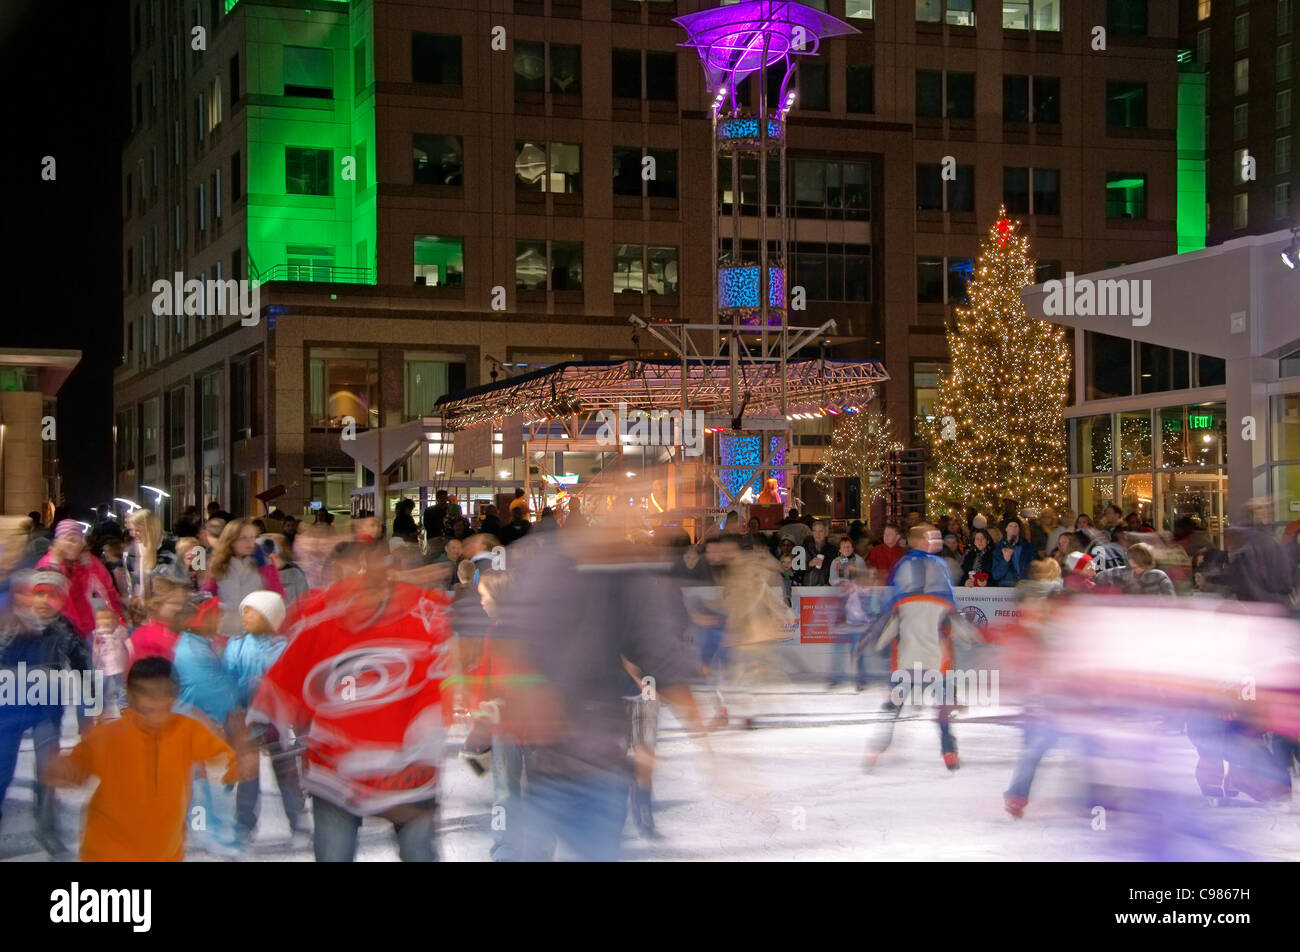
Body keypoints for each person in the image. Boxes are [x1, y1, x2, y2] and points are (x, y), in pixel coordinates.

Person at [249, 544, 454, 862]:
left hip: (408, 776)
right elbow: (284, 679)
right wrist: (257, 725)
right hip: (335, 773)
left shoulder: (425, 616)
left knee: (418, 852)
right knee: (334, 854)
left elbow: (436, 693)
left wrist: (418, 753)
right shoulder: (319, 615)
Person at [44, 657, 248, 861]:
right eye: (148, 696)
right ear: (131, 698)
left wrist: (241, 763)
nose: (157, 703)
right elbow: (78, 768)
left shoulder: (188, 730)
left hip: (166, 853)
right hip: (108, 853)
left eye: (164, 694)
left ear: (174, 696)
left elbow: (224, 759)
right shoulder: (110, 736)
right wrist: (64, 770)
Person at [866, 524, 976, 771]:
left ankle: (876, 748)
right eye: (932, 537)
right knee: (943, 707)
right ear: (920, 541)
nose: (936, 540)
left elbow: (891, 617)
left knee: (894, 705)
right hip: (935, 660)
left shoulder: (903, 574)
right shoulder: (939, 568)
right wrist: (969, 636)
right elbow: (953, 614)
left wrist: (877, 641)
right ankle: (949, 752)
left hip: (906, 661)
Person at [0, 570, 89, 856]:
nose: (45, 601)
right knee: (2, 769)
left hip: (46, 711)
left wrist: (89, 715)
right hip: (8, 710)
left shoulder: (65, 629)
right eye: (40, 593)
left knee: (47, 770)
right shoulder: (10, 625)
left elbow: (85, 670)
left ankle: (47, 824)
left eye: (53, 596)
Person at [224, 591, 307, 844]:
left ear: (270, 618)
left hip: (276, 720)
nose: (245, 615)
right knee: (248, 772)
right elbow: (228, 680)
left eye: (252, 611)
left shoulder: (284, 648)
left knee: (285, 770)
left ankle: (297, 820)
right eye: (244, 611)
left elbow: (294, 684)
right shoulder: (236, 645)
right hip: (247, 718)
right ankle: (244, 822)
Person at [37, 520, 125, 644]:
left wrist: (118, 620)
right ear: (58, 542)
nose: (72, 545)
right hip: (61, 637)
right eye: (67, 539)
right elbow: (48, 599)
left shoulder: (91, 564)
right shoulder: (48, 565)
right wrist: (56, 565)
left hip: (93, 634)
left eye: (75, 539)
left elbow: (109, 594)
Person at [202, 518, 284, 637]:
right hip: (224, 632)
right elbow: (207, 596)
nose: (250, 543)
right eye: (243, 538)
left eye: (252, 537)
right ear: (231, 540)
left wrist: (265, 567)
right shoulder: (217, 564)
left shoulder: (264, 564)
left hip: (255, 635)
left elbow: (277, 596)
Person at [91, 602, 129, 720]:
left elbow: (128, 645)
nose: (105, 622)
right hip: (104, 667)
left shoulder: (120, 631)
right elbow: (95, 650)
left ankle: (123, 707)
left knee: (121, 688)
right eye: (100, 619)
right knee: (101, 687)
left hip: (119, 666)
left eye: (108, 618)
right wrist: (94, 662)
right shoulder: (96, 634)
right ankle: (99, 709)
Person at [1093, 542, 1176, 596]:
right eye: (1133, 567)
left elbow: (1171, 602)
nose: (1136, 570)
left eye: (1140, 566)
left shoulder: (1159, 577)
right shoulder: (1123, 572)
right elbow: (1098, 577)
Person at [991, 518, 1036, 587]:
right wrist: (1005, 561)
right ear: (1006, 529)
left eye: (1016, 526)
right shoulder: (999, 549)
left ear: (1019, 529)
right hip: (1006, 589)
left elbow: (1035, 568)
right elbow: (996, 575)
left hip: (1025, 588)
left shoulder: (1028, 547)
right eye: (1010, 526)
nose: (1013, 529)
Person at [801, 520, 838, 585]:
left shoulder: (833, 549)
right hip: (808, 588)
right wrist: (809, 564)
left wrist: (826, 563)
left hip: (826, 587)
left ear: (826, 533)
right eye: (815, 531)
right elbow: (796, 569)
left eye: (820, 531)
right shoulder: (805, 548)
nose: (817, 534)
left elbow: (845, 560)